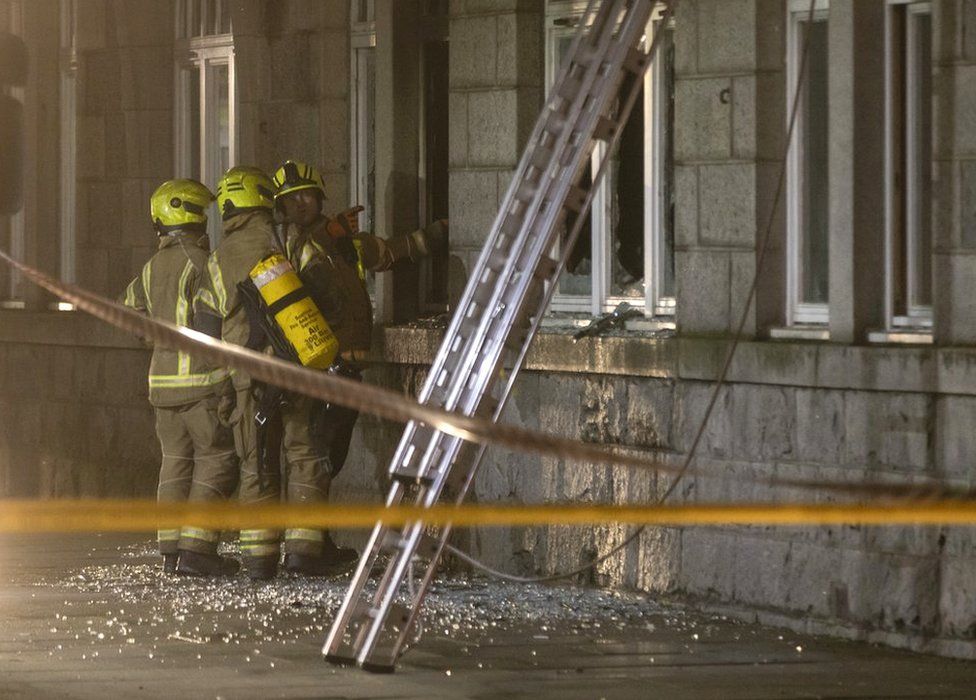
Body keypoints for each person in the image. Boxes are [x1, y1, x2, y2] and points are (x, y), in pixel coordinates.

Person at [194, 165, 348, 580]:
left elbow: (205, 325)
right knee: (305, 455)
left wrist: (223, 386)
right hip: (295, 370)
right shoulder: (285, 240)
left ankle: (260, 560)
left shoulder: (218, 258)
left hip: (247, 377)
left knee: (257, 464)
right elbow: (326, 294)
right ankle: (303, 552)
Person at [271, 159, 447, 486]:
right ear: (281, 206)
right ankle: (306, 534)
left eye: (306, 195)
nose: (299, 204)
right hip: (317, 369)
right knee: (316, 457)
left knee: (331, 458)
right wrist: (328, 234)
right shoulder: (286, 246)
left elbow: (392, 251)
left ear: (319, 196)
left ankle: (312, 534)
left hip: (349, 370)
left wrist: (441, 233)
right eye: (291, 198)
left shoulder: (344, 241)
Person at [122, 179, 239, 577]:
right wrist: (226, 384)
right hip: (202, 386)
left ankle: (171, 548)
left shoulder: (151, 267)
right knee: (216, 462)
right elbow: (214, 330)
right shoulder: (203, 264)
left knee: (173, 464)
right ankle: (198, 551)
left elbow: (131, 314)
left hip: (162, 389)